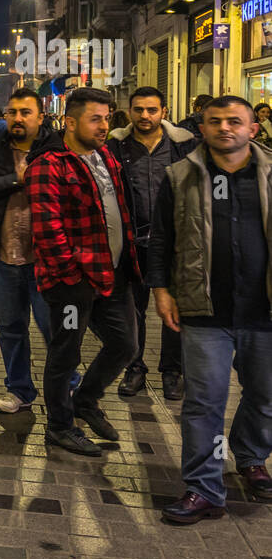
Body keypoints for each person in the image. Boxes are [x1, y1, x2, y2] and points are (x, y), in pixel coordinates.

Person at [149, 96, 272, 524]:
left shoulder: (271, 174)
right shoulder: (180, 175)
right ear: (201, 128)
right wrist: (161, 289)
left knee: (265, 395)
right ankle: (203, 487)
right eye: (214, 122)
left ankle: (252, 456)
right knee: (204, 402)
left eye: (234, 121)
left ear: (253, 128)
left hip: (265, 310)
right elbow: (160, 238)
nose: (224, 128)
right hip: (204, 310)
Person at [27, 87, 139, 457]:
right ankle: (60, 426)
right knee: (66, 354)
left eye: (107, 118)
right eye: (96, 118)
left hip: (112, 273)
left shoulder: (105, 155)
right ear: (70, 122)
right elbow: (46, 228)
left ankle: (86, 400)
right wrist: (70, 276)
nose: (105, 125)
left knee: (125, 344)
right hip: (72, 283)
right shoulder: (50, 163)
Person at [0, 88, 82, 412]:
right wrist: (14, 180)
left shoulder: (59, 150)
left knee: (53, 328)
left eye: (25, 112)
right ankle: (19, 390)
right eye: (12, 112)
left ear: (41, 116)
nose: (18, 119)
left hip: (46, 260)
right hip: (4, 254)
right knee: (10, 329)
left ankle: (69, 385)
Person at [105, 86, 197, 401]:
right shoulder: (115, 146)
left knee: (173, 309)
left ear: (164, 112)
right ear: (129, 112)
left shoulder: (184, 146)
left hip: (175, 243)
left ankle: (172, 371)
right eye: (139, 109)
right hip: (131, 242)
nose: (145, 116)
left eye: (152, 110)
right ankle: (134, 368)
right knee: (133, 310)